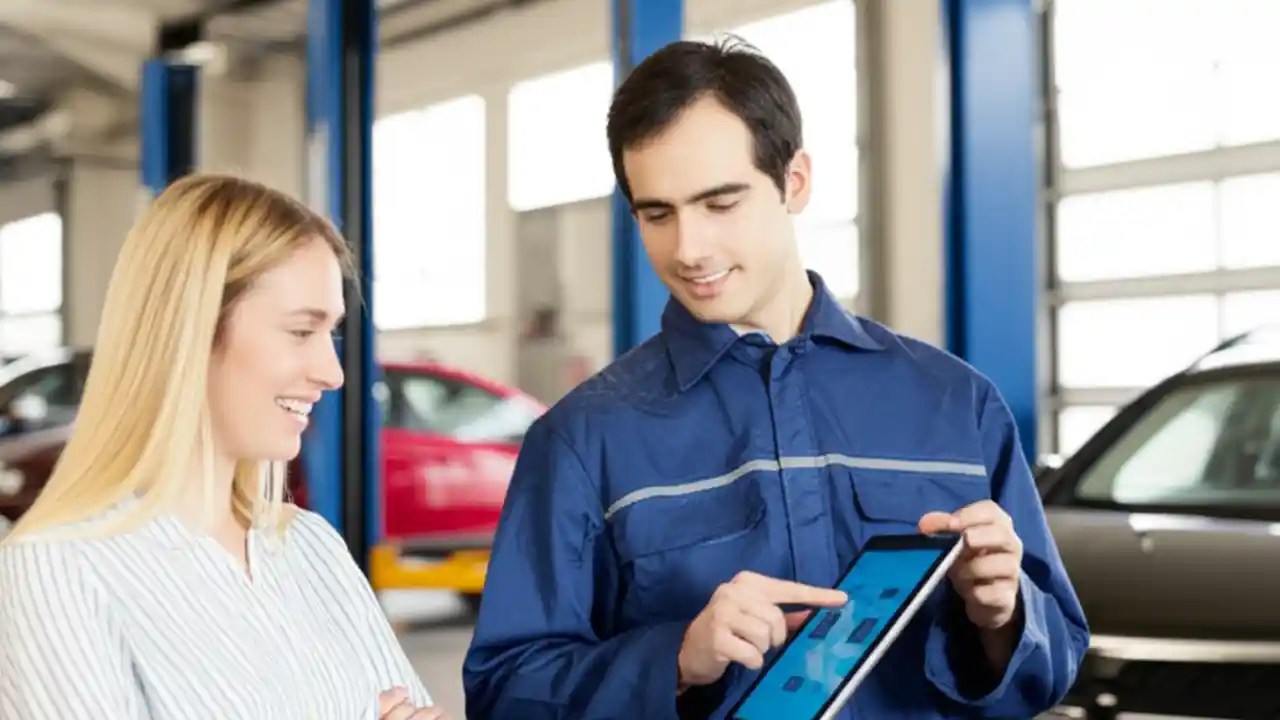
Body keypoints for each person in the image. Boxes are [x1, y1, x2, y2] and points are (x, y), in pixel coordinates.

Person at [463, 36, 1089, 719]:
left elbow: (1053, 663)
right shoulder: (584, 439)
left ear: (794, 181)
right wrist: (674, 660)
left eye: (720, 203)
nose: (689, 249)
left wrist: (1002, 616)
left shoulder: (955, 404)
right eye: (657, 214)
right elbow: (504, 690)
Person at [0, 174, 451, 720]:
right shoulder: (59, 564)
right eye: (300, 332)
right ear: (191, 330)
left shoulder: (310, 548)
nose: (332, 373)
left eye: (329, 333)